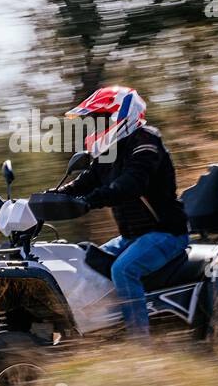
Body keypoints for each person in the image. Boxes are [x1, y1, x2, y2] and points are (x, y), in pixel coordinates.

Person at [58, 85, 189, 336]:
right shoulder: (109, 152)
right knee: (85, 262)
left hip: (167, 234)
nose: (94, 126)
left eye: (99, 119)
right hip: (132, 238)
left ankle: (139, 341)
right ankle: (98, 331)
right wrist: (49, 197)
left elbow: (130, 184)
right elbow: (85, 181)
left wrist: (90, 201)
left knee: (123, 269)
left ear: (121, 116)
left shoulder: (146, 141)